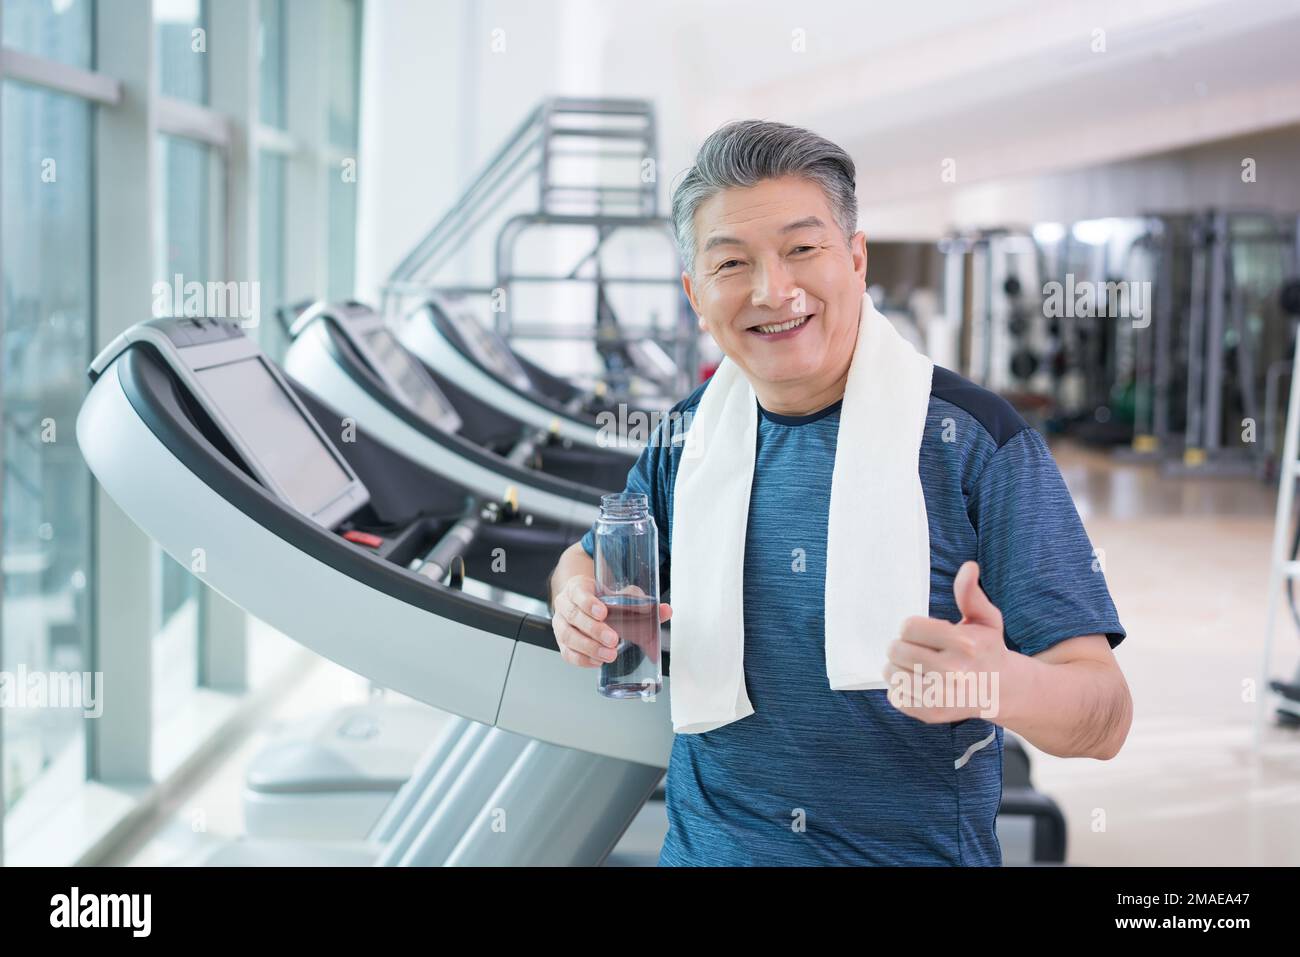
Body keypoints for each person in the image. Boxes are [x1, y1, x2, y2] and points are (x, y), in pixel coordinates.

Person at [546, 119, 1131, 866]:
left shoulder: (976, 445)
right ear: (696, 292)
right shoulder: (685, 440)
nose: (773, 290)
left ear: (856, 258)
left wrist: (1000, 681)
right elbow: (586, 558)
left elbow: (1105, 715)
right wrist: (575, 598)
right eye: (732, 263)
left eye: (802, 249)